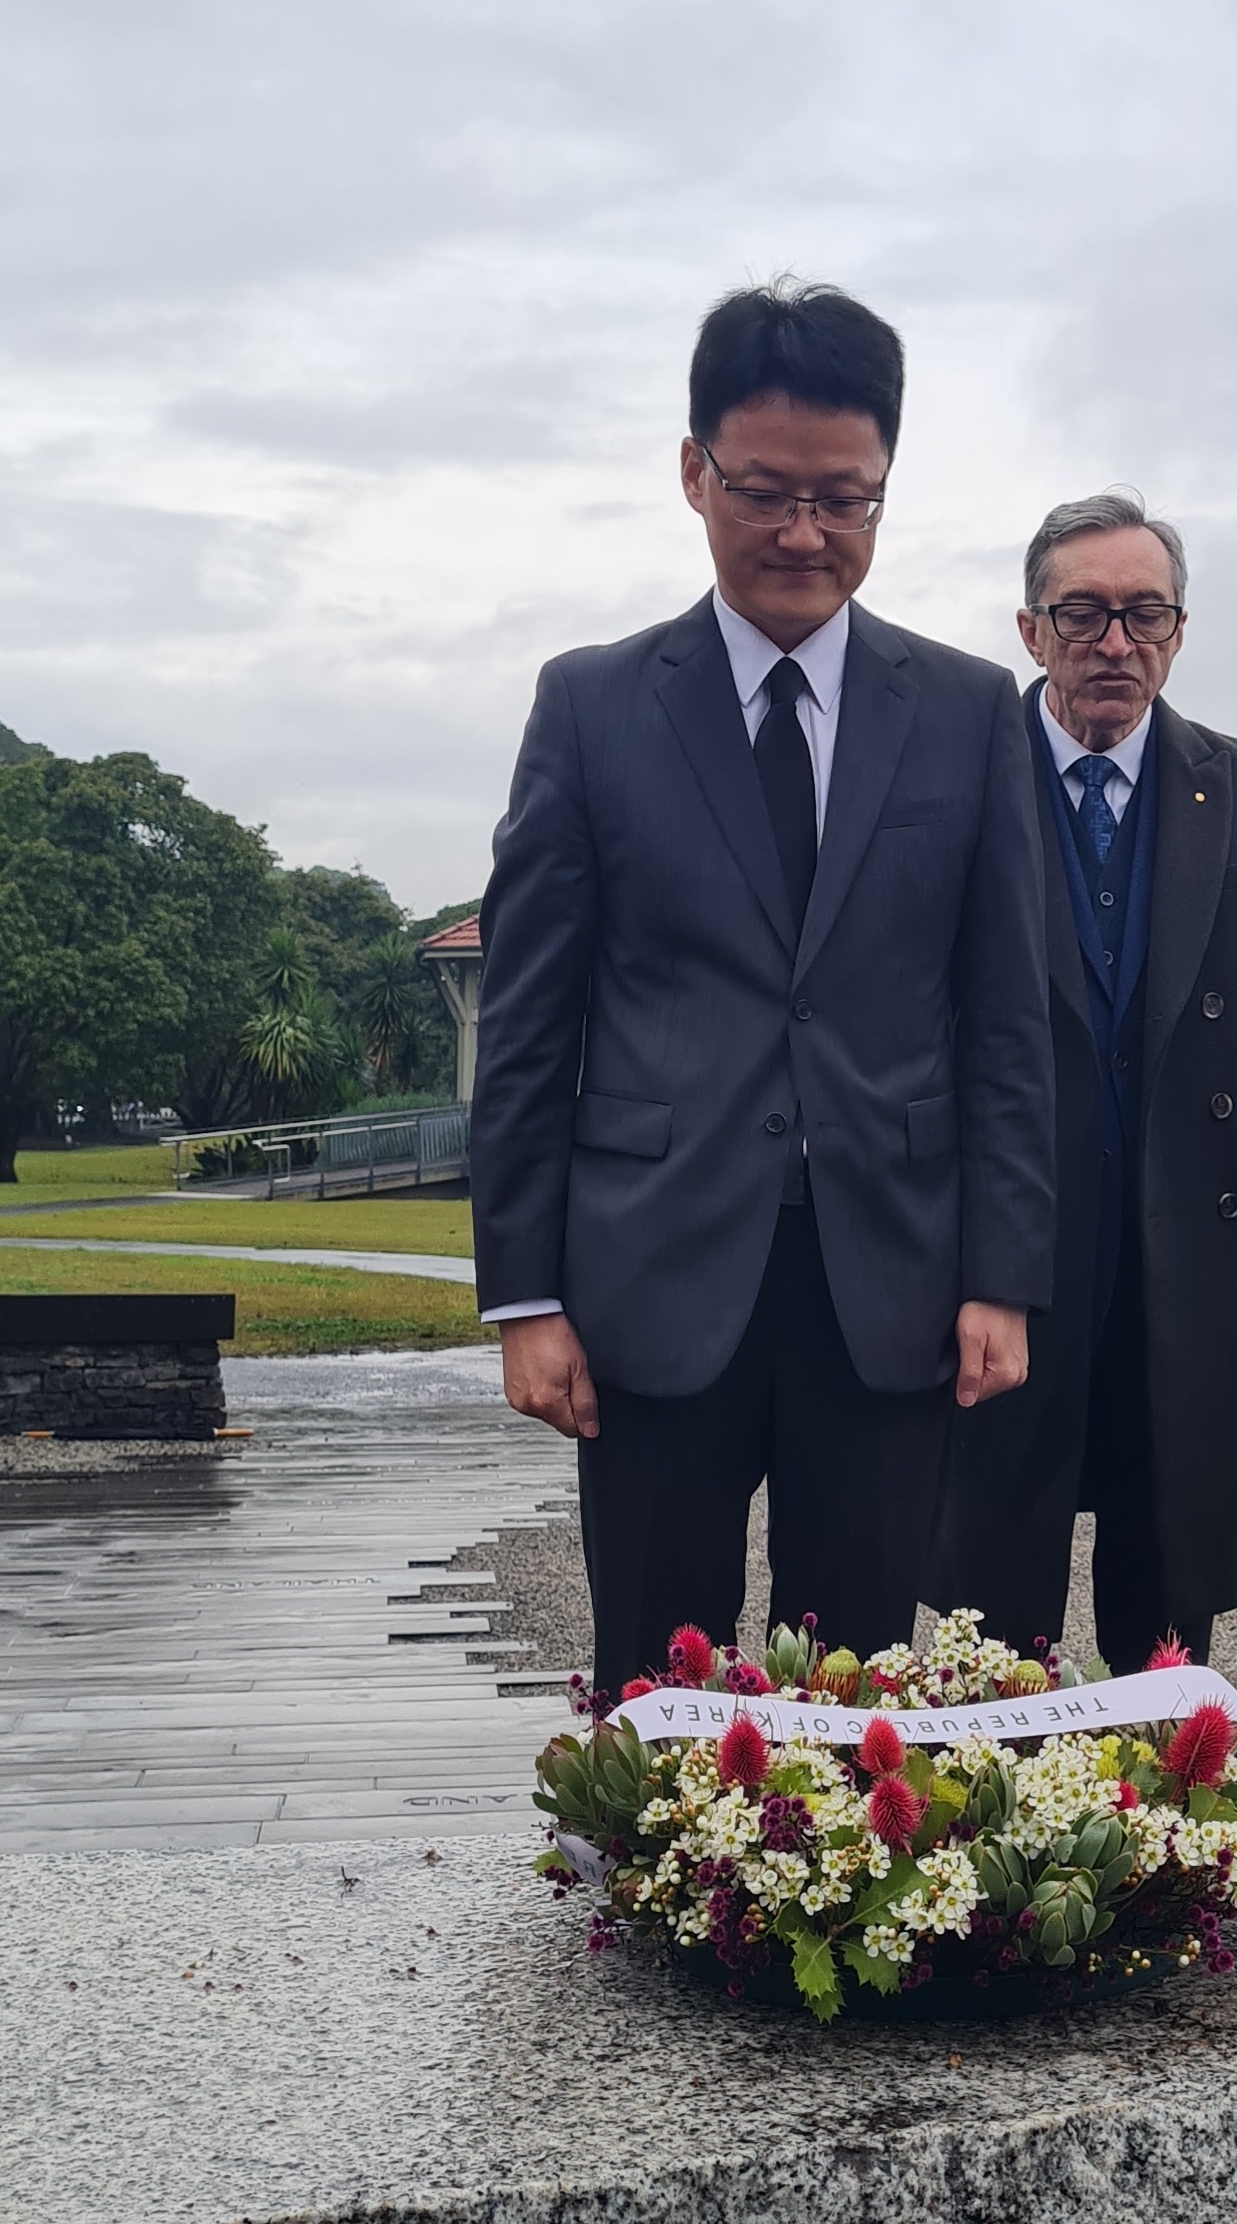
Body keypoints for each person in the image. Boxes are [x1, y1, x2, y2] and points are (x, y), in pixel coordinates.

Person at [471, 280, 1054, 1693]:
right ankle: (642, 1917)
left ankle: (832, 1918)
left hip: (891, 1277)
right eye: (765, 491)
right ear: (693, 472)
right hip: (652, 1272)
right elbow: (530, 1020)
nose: (805, 532)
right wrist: (525, 1295)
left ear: (884, 492)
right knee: (653, 1674)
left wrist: (1003, 1276)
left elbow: (1006, 1017)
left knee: (859, 1674)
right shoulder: (593, 704)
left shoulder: (971, 712)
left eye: (844, 499)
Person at [929, 493, 1237, 1672]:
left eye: (1143, 614)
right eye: (1084, 614)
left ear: (1179, 627)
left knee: (1165, 1640)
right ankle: (993, 1847)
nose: (1115, 644)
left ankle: (1163, 1844)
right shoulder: (956, 780)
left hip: (1193, 1281)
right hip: (1009, 1273)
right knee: (992, 1637)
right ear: (1029, 626)